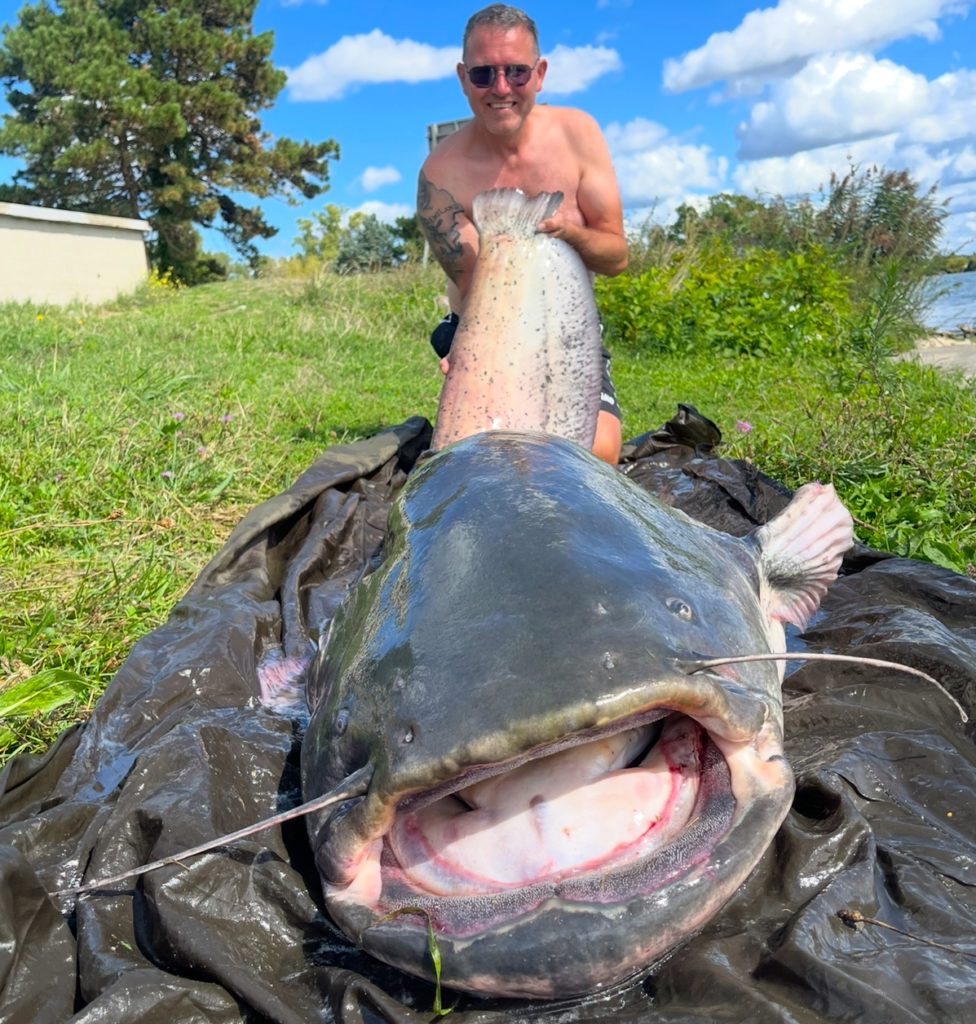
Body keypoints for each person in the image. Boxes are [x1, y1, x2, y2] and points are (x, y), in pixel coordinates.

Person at [417, 3, 628, 465]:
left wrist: (569, 234)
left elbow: (615, 257)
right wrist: (470, 356)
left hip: (564, 327)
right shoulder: (440, 174)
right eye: (482, 74)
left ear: (540, 72)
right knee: (478, 463)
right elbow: (472, 286)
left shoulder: (579, 134)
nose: (500, 88)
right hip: (482, 325)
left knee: (595, 455)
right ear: (462, 77)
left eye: (516, 71)